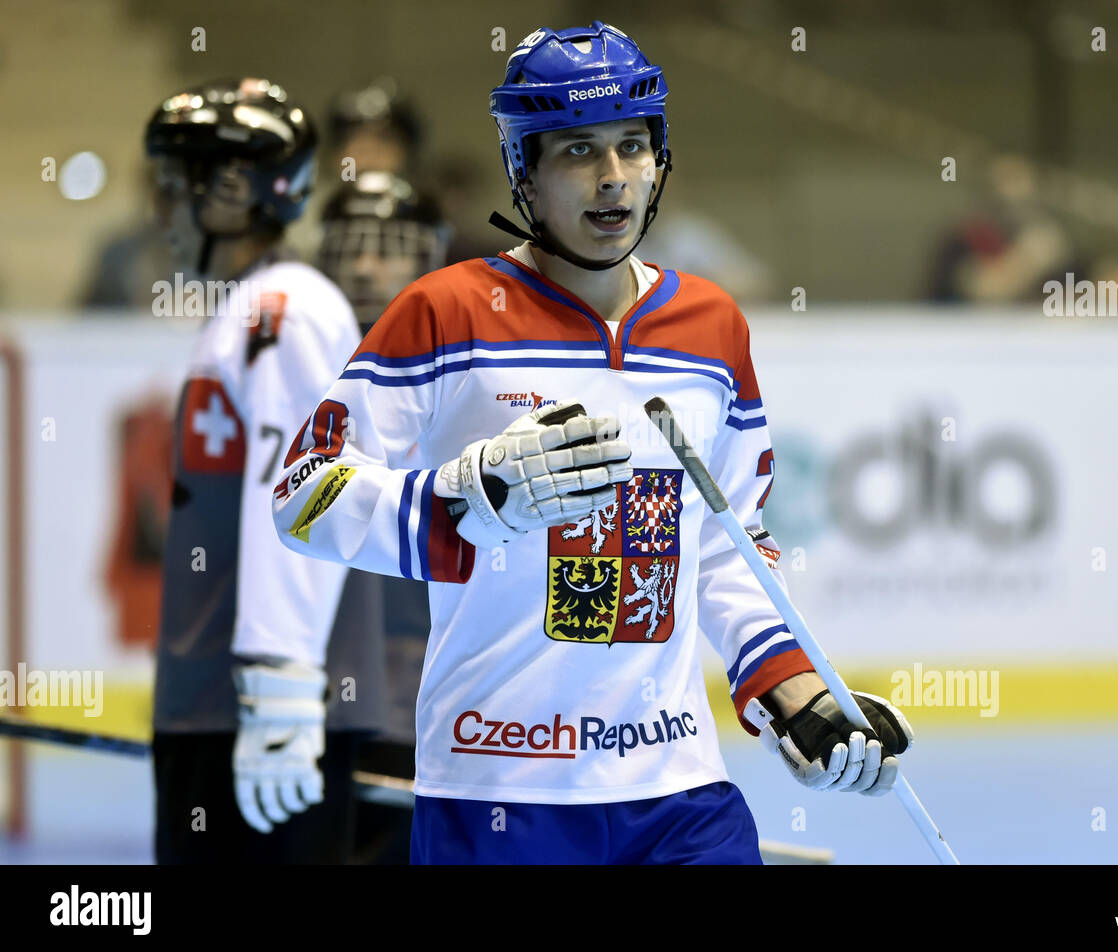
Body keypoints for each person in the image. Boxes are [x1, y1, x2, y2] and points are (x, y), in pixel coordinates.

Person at [271, 22, 913, 865]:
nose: (613, 178)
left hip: (678, 787)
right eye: (577, 150)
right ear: (524, 170)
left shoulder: (711, 328)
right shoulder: (446, 311)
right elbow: (302, 494)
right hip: (497, 792)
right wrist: (465, 502)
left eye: (632, 145)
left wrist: (793, 691)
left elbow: (727, 546)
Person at [146, 77, 385, 863]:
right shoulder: (248, 309)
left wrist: (280, 690)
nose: (159, 209)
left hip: (259, 707)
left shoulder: (284, 309)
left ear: (233, 192)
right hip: (220, 701)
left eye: (172, 187)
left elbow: (299, 492)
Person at [317, 171, 451, 862]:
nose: (366, 266)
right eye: (349, 247)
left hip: (433, 695)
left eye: (389, 246)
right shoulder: (298, 361)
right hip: (324, 696)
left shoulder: (468, 368)